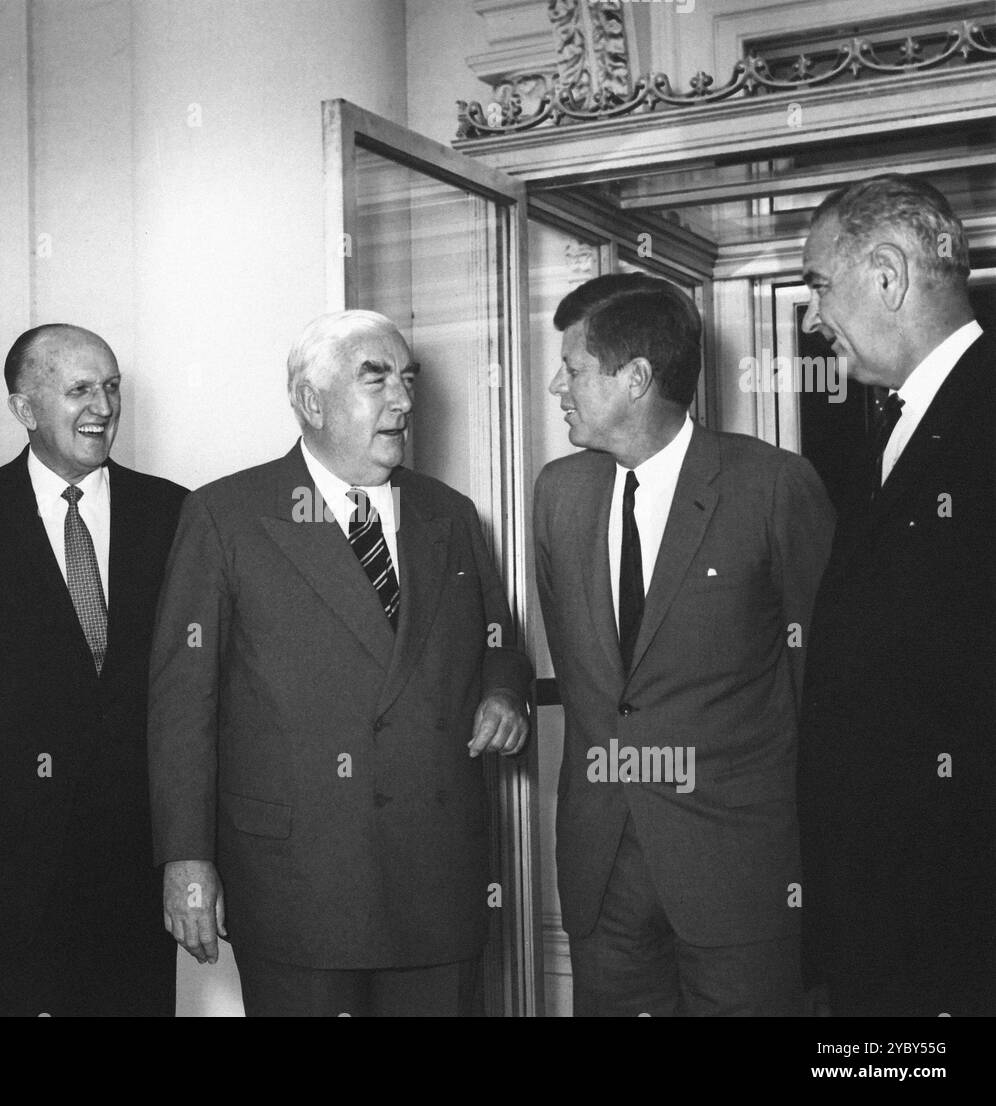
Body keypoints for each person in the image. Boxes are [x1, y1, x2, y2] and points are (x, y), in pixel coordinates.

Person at [148, 309, 531, 1017]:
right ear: (310, 401)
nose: (405, 401)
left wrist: (505, 694)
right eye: (375, 378)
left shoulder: (450, 515)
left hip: (436, 878)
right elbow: (182, 708)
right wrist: (187, 861)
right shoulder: (226, 517)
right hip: (298, 881)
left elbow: (498, 643)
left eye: (408, 380)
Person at [534, 274, 835, 1016]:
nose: (554, 385)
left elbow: (827, 688)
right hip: (603, 870)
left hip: (738, 873)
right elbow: (587, 676)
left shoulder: (772, 487)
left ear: (635, 378)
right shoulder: (559, 494)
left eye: (572, 368)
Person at [0, 324, 187, 1016]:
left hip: (132, 859)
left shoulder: (174, 513)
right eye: (79, 390)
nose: (102, 406)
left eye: (111, 387)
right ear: (24, 408)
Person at [797, 175, 995, 1016]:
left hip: (954, 920)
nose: (810, 319)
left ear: (885, 274)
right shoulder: (894, 421)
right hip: (893, 909)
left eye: (817, 286)